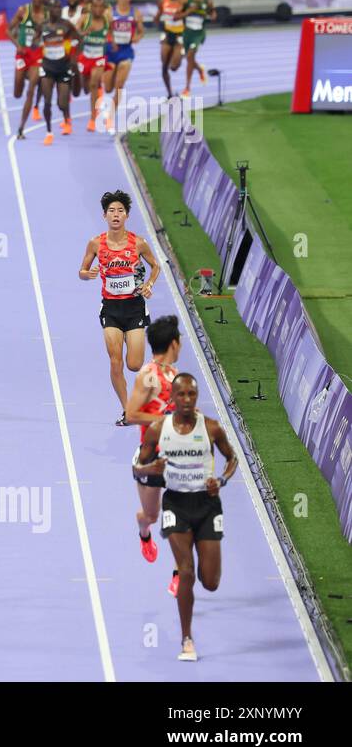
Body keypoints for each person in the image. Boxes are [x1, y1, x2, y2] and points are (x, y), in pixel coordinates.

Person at [137, 373, 237, 662]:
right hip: (176, 505)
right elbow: (139, 467)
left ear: (196, 397)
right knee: (186, 572)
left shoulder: (212, 428)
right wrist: (151, 468)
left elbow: (232, 458)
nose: (187, 400)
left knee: (210, 581)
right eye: (181, 395)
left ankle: (189, 631)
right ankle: (187, 639)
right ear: (173, 398)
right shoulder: (158, 429)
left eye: (192, 395)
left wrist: (222, 480)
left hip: (207, 506)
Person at [78, 189, 160, 423]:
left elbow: (155, 266)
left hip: (134, 309)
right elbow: (81, 271)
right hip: (111, 310)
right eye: (111, 211)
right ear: (105, 216)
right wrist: (88, 273)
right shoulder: (95, 244)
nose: (116, 215)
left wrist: (149, 284)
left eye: (120, 211)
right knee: (115, 361)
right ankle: (128, 410)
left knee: (134, 365)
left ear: (127, 215)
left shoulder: (138, 243)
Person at [126, 314, 182, 598]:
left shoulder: (178, 378)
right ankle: (143, 532)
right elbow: (131, 414)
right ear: (174, 343)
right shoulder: (147, 375)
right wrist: (162, 417)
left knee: (179, 516)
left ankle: (177, 576)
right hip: (150, 458)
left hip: (176, 458)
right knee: (151, 514)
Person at [8, 0, 49, 139]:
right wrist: (18, 45)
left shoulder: (48, 15)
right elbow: (8, 30)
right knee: (17, 93)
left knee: (30, 90)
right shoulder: (23, 11)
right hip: (23, 55)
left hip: (37, 56)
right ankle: (26, 77)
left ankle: (21, 129)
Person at [36, 0, 79, 144]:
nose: (58, 9)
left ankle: (67, 120)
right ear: (48, 9)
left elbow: (79, 38)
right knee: (47, 102)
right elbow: (34, 43)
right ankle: (49, 132)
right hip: (48, 67)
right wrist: (39, 43)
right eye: (55, 7)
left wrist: (73, 54)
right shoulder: (43, 26)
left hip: (63, 68)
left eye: (59, 7)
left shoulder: (66, 25)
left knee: (62, 103)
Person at [103, 0, 143, 133]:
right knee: (108, 87)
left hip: (126, 52)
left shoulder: (136, 13)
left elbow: (141, 32)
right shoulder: (109, 13)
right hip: (111, 51)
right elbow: (104, 30)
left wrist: (136, 38)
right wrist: (110, 40)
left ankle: (110, 118)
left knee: (119, 86)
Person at [76, 0, 111, 132]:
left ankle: (92, 118)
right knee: (86, 88)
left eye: (100, 7)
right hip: (85, 57)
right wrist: (83, 32)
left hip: (99, 58)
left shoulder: (107, 20)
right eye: (94, 6)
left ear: (104, 8)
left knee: (93, 84)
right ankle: (95, 94)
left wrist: (113, 42)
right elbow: (76, 29)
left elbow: (113, 33)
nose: (97, 9)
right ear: (91, 7)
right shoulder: (85, 18)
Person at [180, 0, 215, 97]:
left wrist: (213, 13)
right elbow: (176, 16)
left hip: (199, 34)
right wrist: (188, 12)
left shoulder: (207, 1)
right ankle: (200, 69)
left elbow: (212, 14)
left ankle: (187, 88)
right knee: (188, 58)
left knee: (189, 56)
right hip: (186, 33)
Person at [156, 0, 187, 99]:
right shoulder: (163, 0)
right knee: (164, 67)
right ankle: (169, 94)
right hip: (167, 34)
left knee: (173, 67)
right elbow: (157, 17)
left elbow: (190, 16)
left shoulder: (184, 0)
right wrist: (159, 22)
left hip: (180, 35)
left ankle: (181, 54)